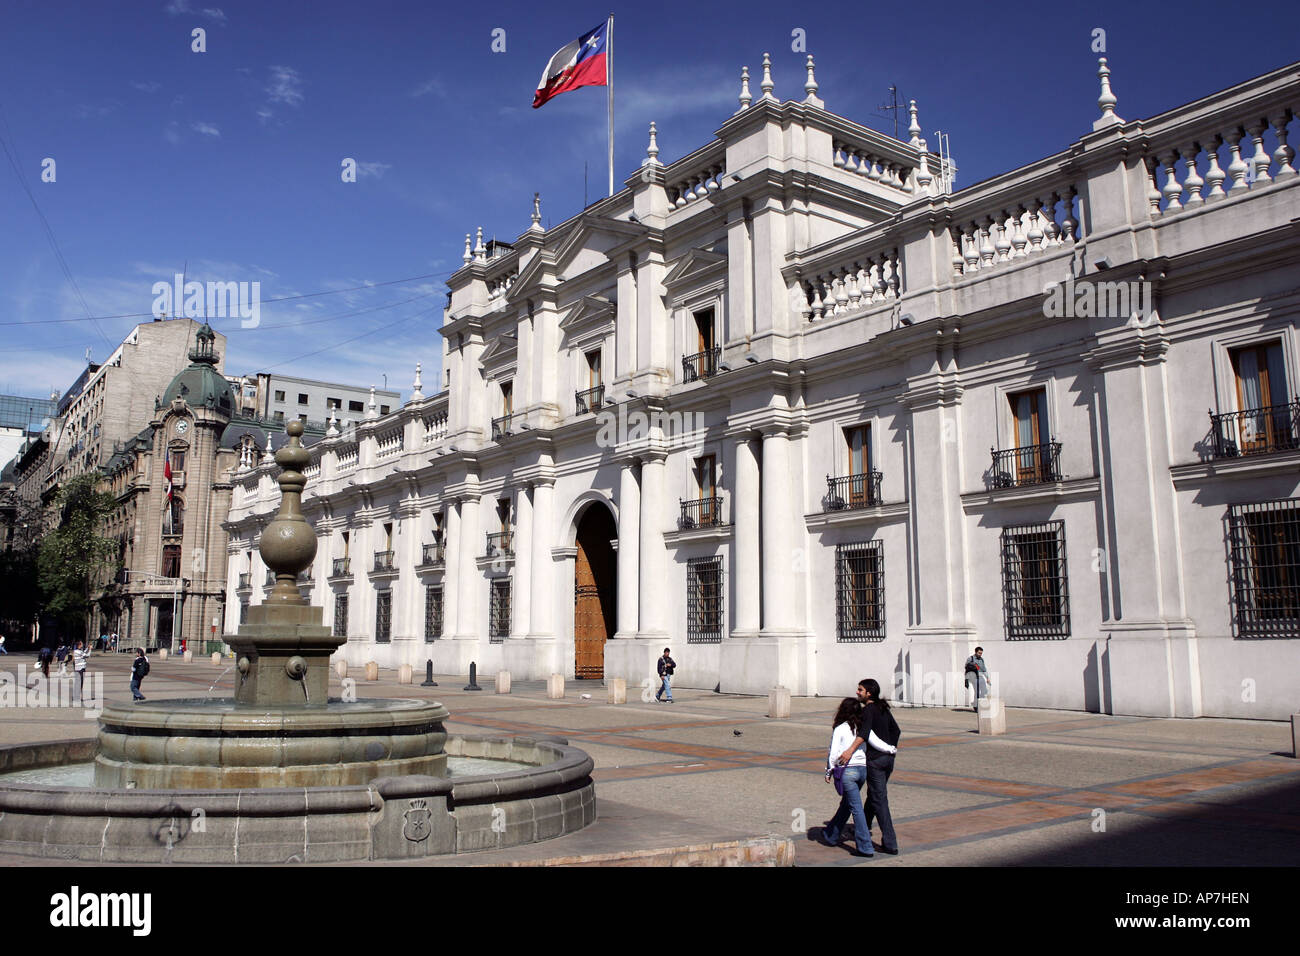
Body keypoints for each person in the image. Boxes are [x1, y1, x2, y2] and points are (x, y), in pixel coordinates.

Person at [838, 678, 901, 855]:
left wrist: (850, 750)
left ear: (869, 693)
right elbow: (896, 731)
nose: (857, 692)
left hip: (875, 761)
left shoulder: (868, 711)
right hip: (888, 760)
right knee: (874, 795)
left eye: (860, 690)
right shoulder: (883, 709)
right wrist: (891, 749)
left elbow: (864, 734)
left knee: (880, 800)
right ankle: (863, 826)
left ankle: (890, 842)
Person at [820, 697, 873, 857]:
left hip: (847, 771)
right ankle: (831, 834)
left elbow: (834, 752)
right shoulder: (862, 727)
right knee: (847, 804)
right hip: (862, 770)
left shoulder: (840, 728)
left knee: (856, 808)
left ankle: (865, 847)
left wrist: (829, 770)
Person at [965, 646, 989, 712]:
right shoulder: (970, 658)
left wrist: (987, 678)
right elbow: (966, 668)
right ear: (975, 652)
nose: (980, 654)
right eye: (979, 653)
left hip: (981, 677)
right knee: (977, 692)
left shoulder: (981, 659)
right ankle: (977, 706)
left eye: (981, 653)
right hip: (974, 677)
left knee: (985, 691)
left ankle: (976, 703)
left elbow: (984, 669)